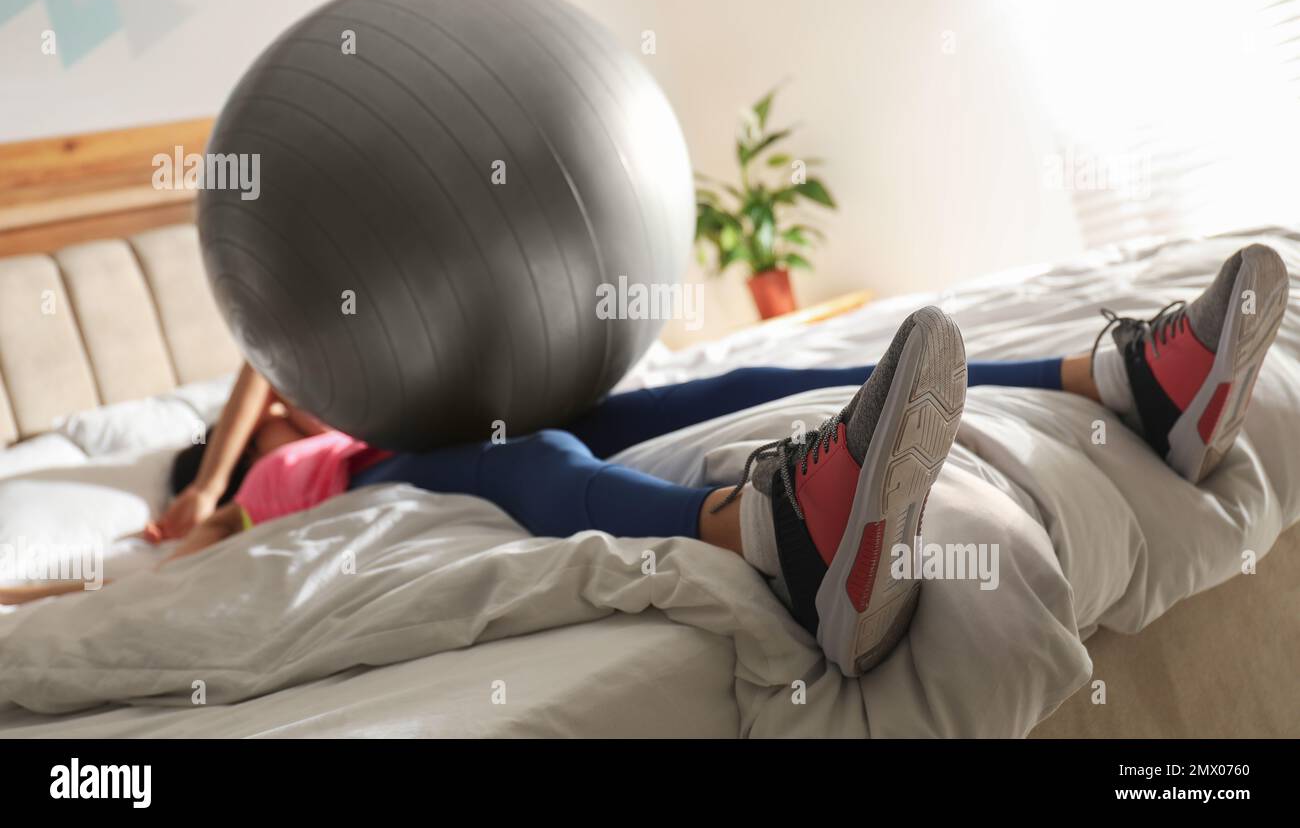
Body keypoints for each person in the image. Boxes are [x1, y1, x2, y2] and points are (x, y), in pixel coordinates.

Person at [5, 246, 1288, 675]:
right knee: (540, 464)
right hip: (396, 479)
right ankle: (776, 534)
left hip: (476, 405)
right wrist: (201, 499)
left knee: (730, 380)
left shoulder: (368, 382)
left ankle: (1121, 379)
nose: (285, 390)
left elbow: (279, 351)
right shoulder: (222, 493)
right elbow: (247, 389)